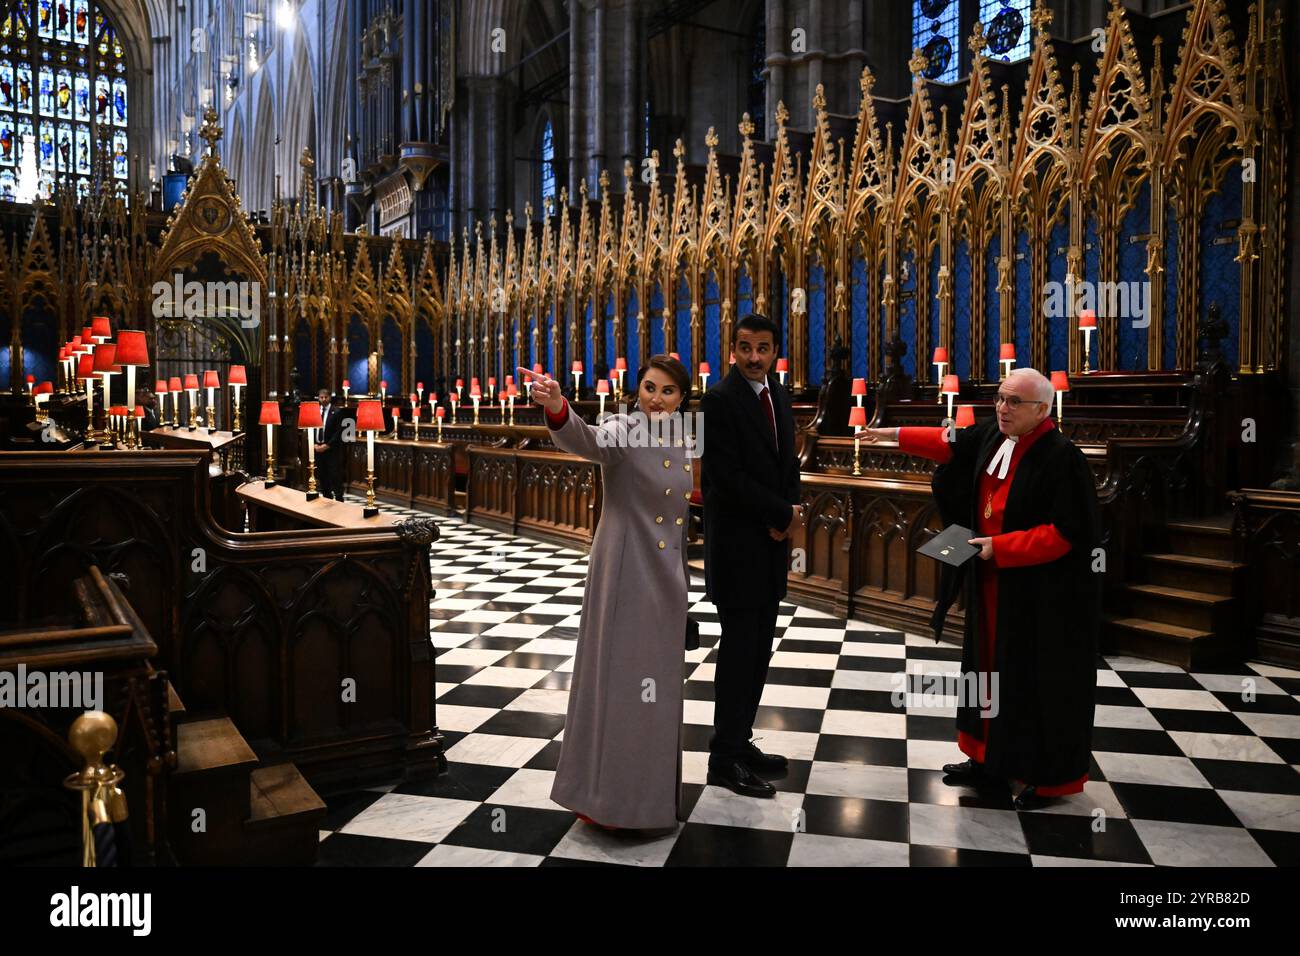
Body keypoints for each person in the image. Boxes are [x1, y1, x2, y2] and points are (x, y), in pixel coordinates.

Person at [861, 367, 1100, 810]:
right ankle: (987, 758)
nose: (1002, 408)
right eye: (1000, 398)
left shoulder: (1062, 457)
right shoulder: (994, 436)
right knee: (985, 670)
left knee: (1033, 682)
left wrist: (1001, 547)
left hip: (1038, 594)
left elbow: (1066, 533)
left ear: (1042, 411)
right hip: (992, 581)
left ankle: (1045, 778)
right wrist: (891, 434)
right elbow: (952, 443)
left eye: (1014, 402)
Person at [522, 356, 693, 833]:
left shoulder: (682, 437)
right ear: (637, 389)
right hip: (625, 573)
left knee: (655, 692)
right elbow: (589, 441)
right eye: (649, 387)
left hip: (666, 580)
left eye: (668, 391)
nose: (656, 398)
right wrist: (558, 408)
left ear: (682, 398)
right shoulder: (623, 427)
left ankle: (650, 801)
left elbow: (680, 506)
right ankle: (608, 802)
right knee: (622, 685)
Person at [700, 314, 803, 799]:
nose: (754, 357)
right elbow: (723, 479)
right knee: (739, 653)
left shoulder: (777, 393)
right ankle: (723, 759)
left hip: (771, 546)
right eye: (745, 348)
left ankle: (740, 743)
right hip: (738, 548)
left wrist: (790, 513)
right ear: (732, 350)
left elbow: (788, 464)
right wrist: (780, 510)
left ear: (774, 350)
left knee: (760, 649)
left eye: (763, 348)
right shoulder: (718, 400)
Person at [314, 388, 346, 501]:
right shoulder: (316, 411)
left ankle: (339, 498)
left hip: (331, 449)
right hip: (318, 449)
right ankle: (327, 497)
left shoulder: (336, 411)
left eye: (325, 397)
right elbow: (312, 428)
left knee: (334, 475)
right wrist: (314, 444)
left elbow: (339, 432)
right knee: (322, 475)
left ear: (329, 397)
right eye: (321, 397)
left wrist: (327, 445)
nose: (323, 399)